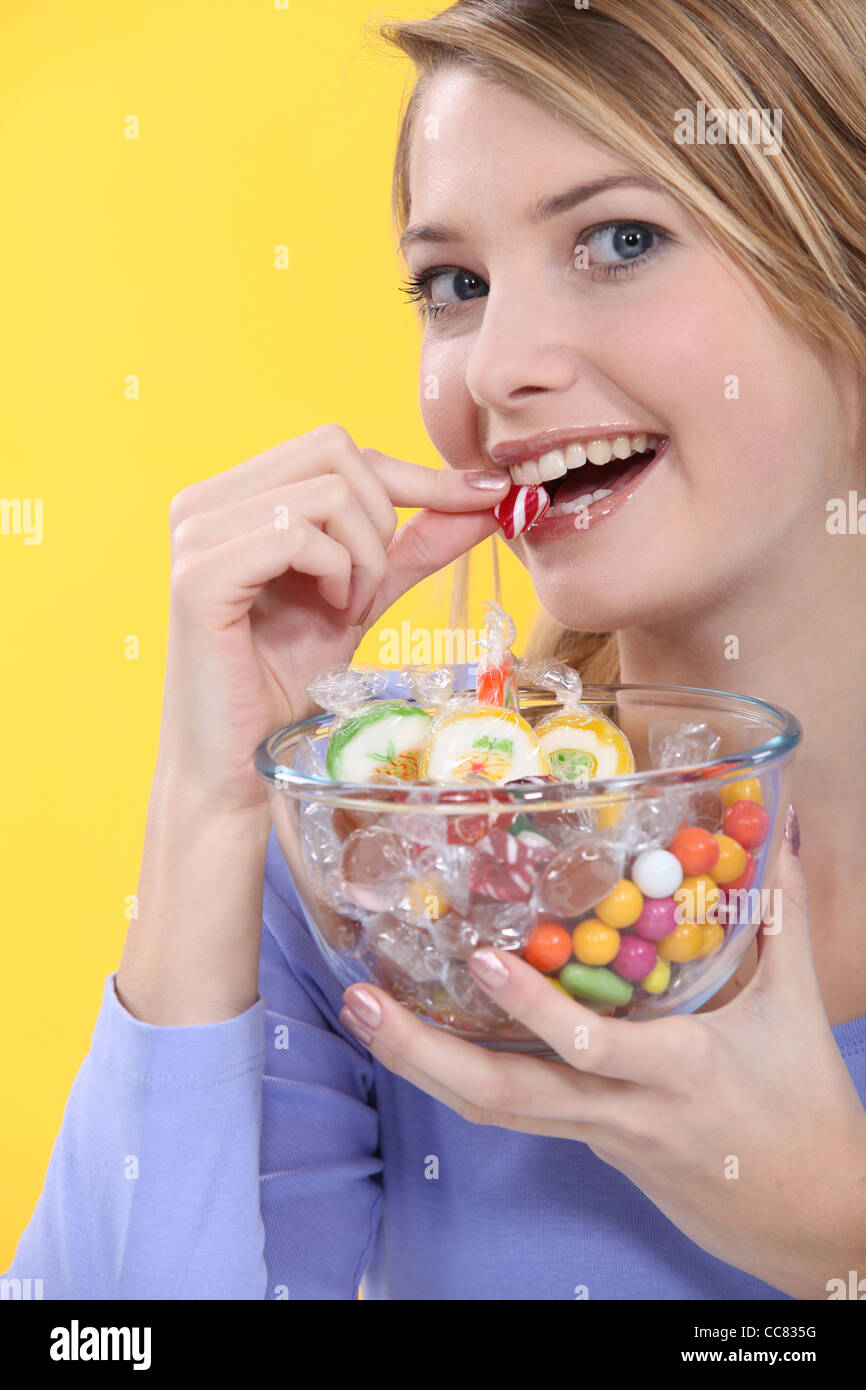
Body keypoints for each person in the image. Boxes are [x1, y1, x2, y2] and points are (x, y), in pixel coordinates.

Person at [5, 0, 866, 1300]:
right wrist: (213, 803)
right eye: (452, 285)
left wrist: (833, 1234)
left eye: (618, 239)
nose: (495, 369)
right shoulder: (402, 876)